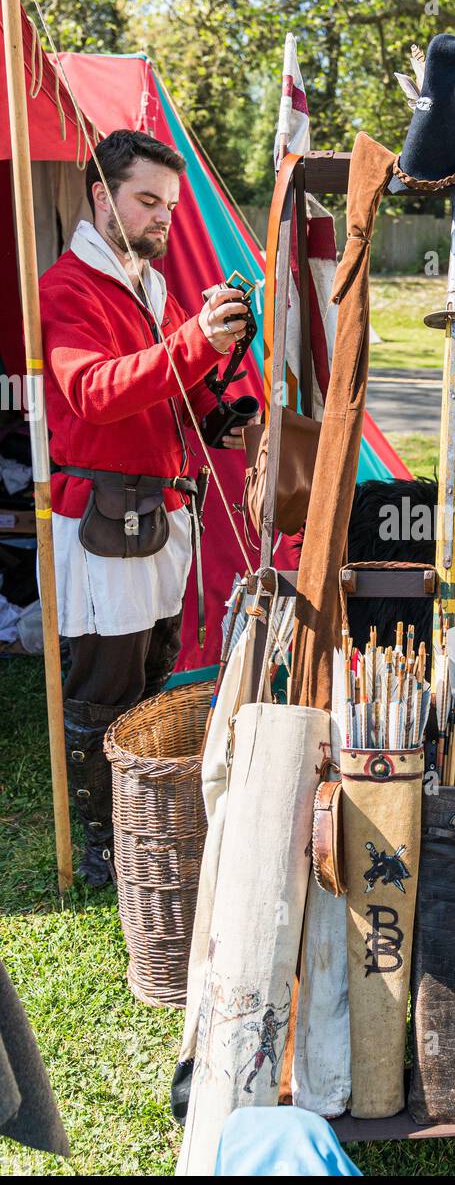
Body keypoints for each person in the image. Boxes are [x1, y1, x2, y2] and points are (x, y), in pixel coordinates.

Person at [40, 128, 254, 887]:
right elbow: (94, 393)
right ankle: (103, 841)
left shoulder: (149, 288)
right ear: (103, 196)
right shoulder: (69, 287)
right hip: (101, 517)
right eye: (146, 201)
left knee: (153, 670)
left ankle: (142, 815)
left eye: (169, 205)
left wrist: (222, 403)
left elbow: (174, 400)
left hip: (159, 514)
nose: (162, 217)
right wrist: (194, 341)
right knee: (105, 687)